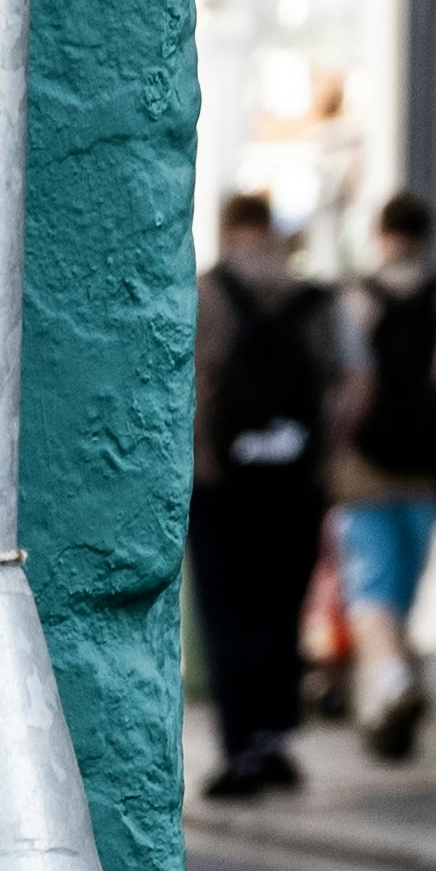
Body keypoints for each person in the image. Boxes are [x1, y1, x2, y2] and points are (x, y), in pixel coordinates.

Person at [188, 192, 341, 804]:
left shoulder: (205, 293)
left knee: (229, 612)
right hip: (298, 483)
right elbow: (353, 385)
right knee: (282, 608)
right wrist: (320, 454)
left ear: (229, 232)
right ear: (271, 233)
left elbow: (184, 380)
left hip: (221, 481)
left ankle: (240, 747)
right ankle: (276, 740)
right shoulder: (319, 301)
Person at [323, 188, 436, 764]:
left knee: (369, 590)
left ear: (380, 235)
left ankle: (395, 686)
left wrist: (333, 448)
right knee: (401, 593)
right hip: (427, 471)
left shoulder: (357, 300)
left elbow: (351, 383)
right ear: (426, 235)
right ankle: (387, 717)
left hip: (365, 471)